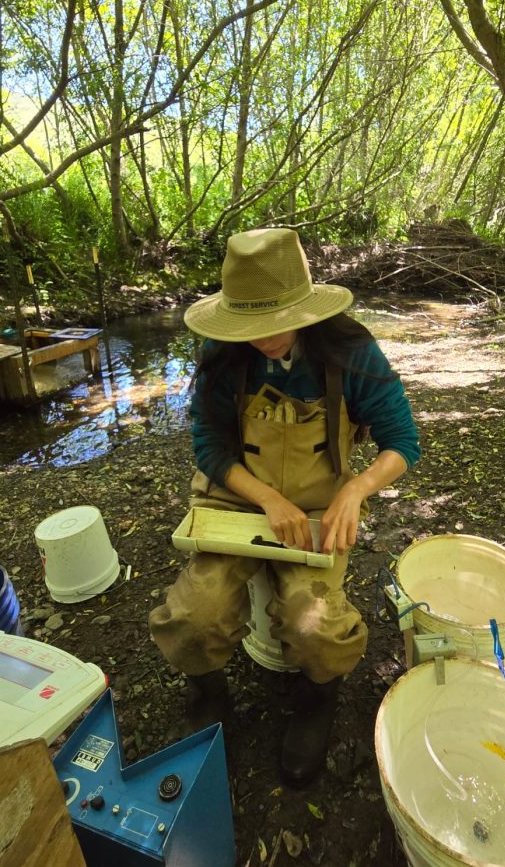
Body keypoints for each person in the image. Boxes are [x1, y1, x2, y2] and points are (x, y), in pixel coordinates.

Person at [149, 227, 420, 786]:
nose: (264, 339)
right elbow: (209, 447)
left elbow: (402, 443)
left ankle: (316, 703)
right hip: (238, 498)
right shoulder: (222, 355)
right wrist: (269, 499)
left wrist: (354, 489)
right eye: (249, 328)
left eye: (275, 326)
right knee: (193, 617)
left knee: (316, 627)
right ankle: (209, 697)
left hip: (320, 503)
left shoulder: (350, 351)